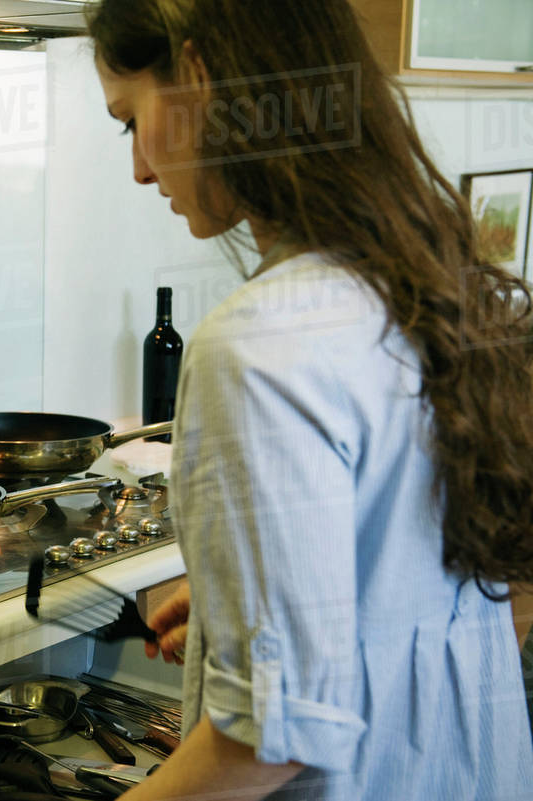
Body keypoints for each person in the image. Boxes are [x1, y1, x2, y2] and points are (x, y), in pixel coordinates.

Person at [85, 0, 533, 798]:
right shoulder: (429, 286)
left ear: (200, 78)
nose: (140, 170)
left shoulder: (254, 344)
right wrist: (270, 599)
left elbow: (266, 741)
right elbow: (438, 576)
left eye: (130, 122)